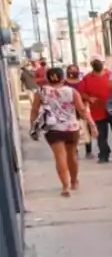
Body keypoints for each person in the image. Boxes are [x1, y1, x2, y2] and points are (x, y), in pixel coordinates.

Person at [29, 65, 96, 196]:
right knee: (72, 155)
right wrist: (92, 125)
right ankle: (74, 181)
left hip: (53, 129)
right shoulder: (72, 92)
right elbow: (82, 110)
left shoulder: (41, 92)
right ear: (63, 78)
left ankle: (65, 186)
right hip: (71, 128)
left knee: (60, 157)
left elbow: (34, 110)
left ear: (47, 79)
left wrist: (33, 126)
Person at [79, 59, 112, 163]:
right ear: (92, 66)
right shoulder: (87, 78)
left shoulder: (110, 74)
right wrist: (89, 98)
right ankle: (103, 154)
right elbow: (81, 93)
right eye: (96, 64)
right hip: (97, 110)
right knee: (101, 135)